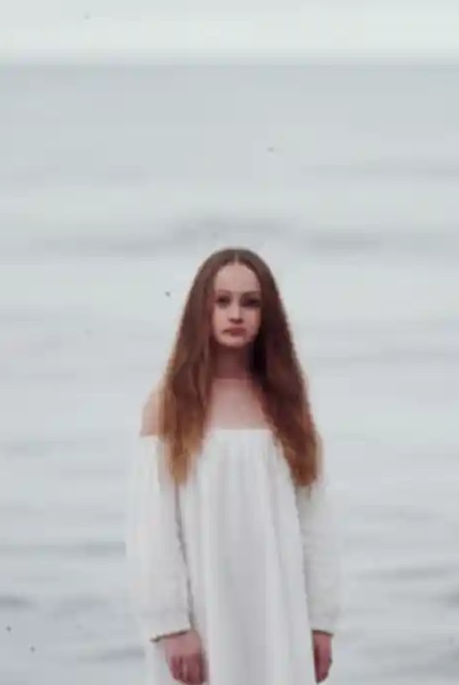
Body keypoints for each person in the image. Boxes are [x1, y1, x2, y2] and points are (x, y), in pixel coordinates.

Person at [125, 247, 341, 685]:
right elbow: (152, 527)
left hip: (278, 611)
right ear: (201, 310)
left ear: (267, 315)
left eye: (250, 302)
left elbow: (316, 522)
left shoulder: (287, 407)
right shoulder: (170, 406)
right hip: (202, 614)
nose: (235, 314)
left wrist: (320, 622)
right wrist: (171, 624)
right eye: (221, 301)